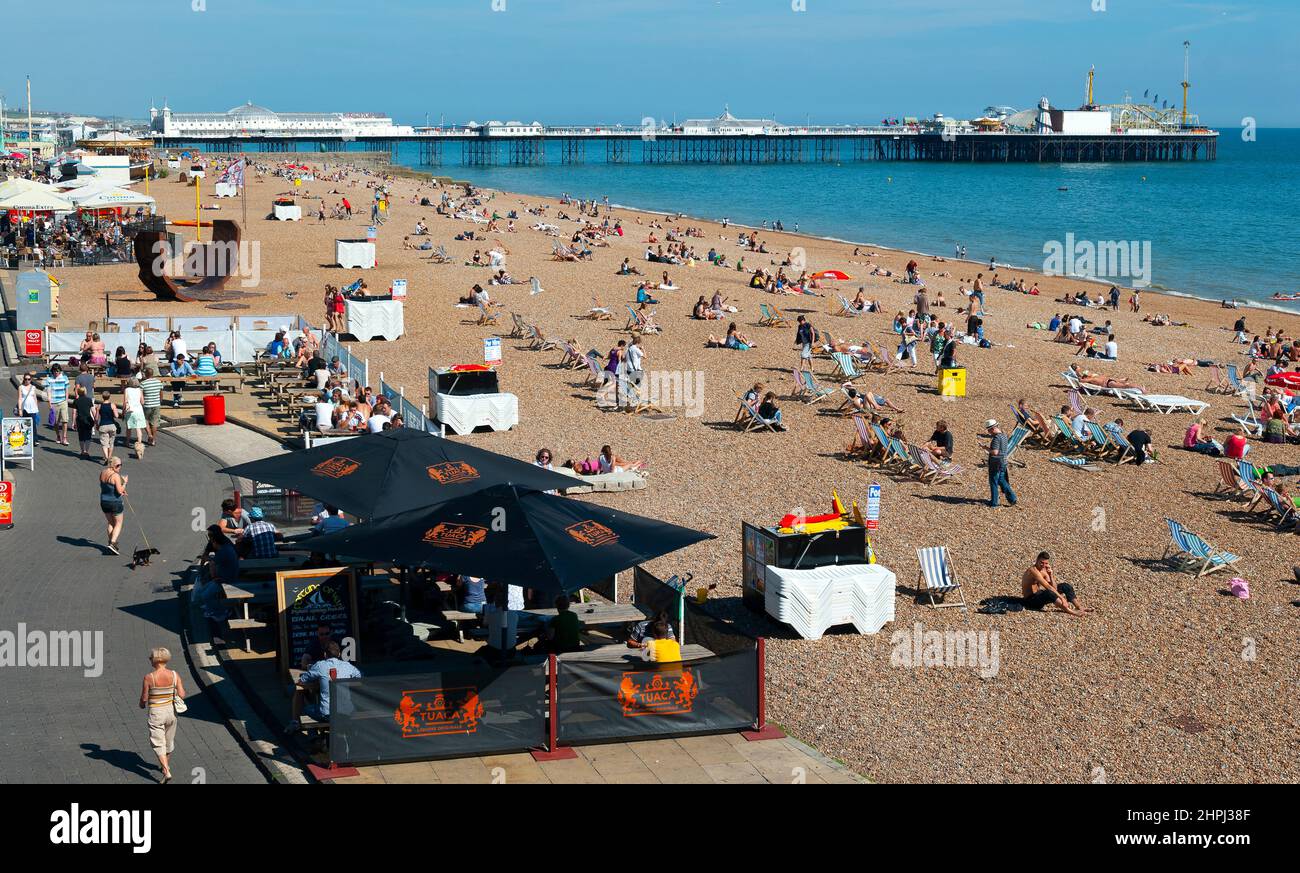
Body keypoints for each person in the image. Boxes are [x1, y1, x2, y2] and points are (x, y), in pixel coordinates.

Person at [291, 640, 361, 731]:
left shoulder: (320, 665)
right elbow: (359, 676)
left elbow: (302, 679)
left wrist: (318, 681)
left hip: (327, 714)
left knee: (307, 708)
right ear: (339, 654)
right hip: (346, 712)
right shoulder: (347, 665)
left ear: (325, 654)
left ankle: (315, 737)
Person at [140, 647, 185, 783]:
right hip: (171, 712)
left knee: (158, 742)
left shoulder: (149, 677)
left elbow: (144, 698)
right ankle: (165, 764)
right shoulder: (174, 675)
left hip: (156, 713)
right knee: (168, 740)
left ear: (154, 661)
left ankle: (166, 771)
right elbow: (182, 694)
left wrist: (142, 704)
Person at [1022, 552, 1087, 617]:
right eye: (1041, 562)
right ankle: (1070, 611)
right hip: (1030, 601)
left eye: (1046, 563)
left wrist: (1050, 575)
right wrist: (1062, 598)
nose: (1043, 565)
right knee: (1048, 593)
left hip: (1039, 595)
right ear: (1037, 560)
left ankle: (1079, 607)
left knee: (1065, 586)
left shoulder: (1044, 570)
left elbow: (1054, 588)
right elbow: (1048, 587)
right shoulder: (1033, 571)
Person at [984, 419, 1017, 508]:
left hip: (996, 463)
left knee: (993, 481)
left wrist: (986, 448)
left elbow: (995, 452)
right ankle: (1012, 498)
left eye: (989, 430)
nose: (989, 432)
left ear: (993, 428)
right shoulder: (1004, 436)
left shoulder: (996, 438)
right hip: (1003, 462)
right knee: (1001, 480)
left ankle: (994, 502)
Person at [99, 456, 128, 554]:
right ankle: (112, 543)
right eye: (119, 465)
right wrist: (125, 483)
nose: (120, 467)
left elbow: (107, 487)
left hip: (104, 502)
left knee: (111, 523)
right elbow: (119, 491)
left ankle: (111, 543)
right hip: (115, 502)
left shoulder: (103, 473)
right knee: (118, 524)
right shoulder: (115, 476)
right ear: (114, 465)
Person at [42, 364, 70, 446]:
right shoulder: (49, 379)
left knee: (65, 420)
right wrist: (49, 402)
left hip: (63, 402)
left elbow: (67, 390)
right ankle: (58, 435)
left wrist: (66, 400)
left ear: (60, 371)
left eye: (58, 371)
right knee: (55, 422)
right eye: (55, 371)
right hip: (54, 402)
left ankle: (64, 438)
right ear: (52, 371)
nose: (56, 373)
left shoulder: (65, 378)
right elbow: (48, 391)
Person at [93, 389, 121, 464]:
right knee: (111, 443)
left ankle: (106, 457)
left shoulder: (99, 406)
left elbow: (96, 418)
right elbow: (117, 415)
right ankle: (109, 457)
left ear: (102, 397)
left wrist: (97, 424)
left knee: (104, 443)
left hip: (103, 425)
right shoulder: (112, 405)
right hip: (112, 425)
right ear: (109, 397)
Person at [122, 378, 148, 460]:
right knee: (138, 428)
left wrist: (123, 411)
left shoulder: (127, 390)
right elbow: (142, 402)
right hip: (139, 410)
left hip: (130, 410)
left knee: (129, 427)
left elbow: (125, 401)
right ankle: (139, 443)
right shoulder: (139, 390)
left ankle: (127, 441)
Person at [139, 367, 164, 447]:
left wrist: (141, 403)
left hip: (147, 404)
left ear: (146, 374)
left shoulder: (143, 383)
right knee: (154, 422)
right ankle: (153, 439)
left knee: (145, 420)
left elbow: (141, 395)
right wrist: (160, 401)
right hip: (156, 404)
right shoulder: (158, 382)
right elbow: (161, 393)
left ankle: (149, 434)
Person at [72, 384, 96, 458]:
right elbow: (93, 411)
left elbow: (74, 412)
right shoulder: (89, 400)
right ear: (85, 392)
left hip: (79, 420)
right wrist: (96, 420)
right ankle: (86, 451)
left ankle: (82, 451)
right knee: (88, 436)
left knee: (81, 436)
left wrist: (73, 422)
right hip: (88, 419)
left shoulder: (76, 401)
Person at [17, 373, 41, 443]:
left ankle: (35, 440)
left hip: (32, 408)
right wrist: (20, 410)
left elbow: (35, 398)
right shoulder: (20, 387)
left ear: (31, 380)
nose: (27, 380)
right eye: (26, 379)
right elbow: (19, 399)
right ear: (24, 379)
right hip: (24, 408)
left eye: (29, 379)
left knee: (33, 425)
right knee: (24, 424)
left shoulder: (33, 387)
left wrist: (37, 408)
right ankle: (24, 439)